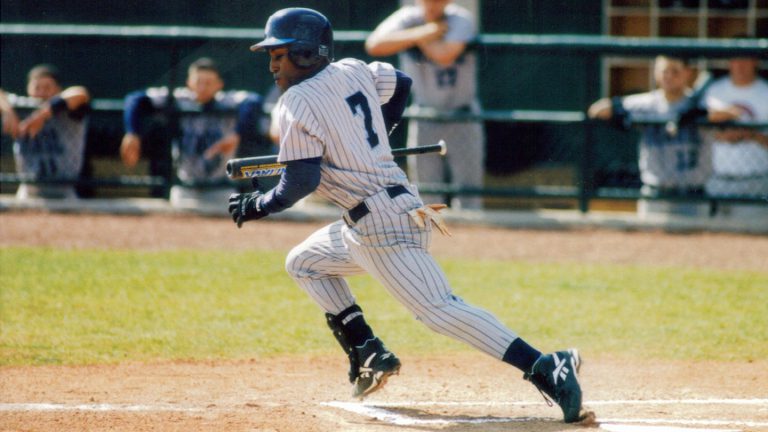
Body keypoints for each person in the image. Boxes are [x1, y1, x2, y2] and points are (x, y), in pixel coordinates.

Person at [228, 8, 592, 424]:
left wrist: (259, 204)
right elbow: (399, 82)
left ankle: (545, 366)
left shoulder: (295, 100)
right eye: (271, 55)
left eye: (282, 53)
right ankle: (366, 349)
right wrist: (377, 135)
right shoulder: (351, 69)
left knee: (439, 309)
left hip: (380, 224)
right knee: (305, 262)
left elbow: (300, 181)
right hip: (384, 213)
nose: (273, 63)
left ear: (309, 53)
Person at [365, 0, 484, 210]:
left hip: (462, 115)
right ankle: (431, 241)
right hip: (425, 115)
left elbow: (444, 56)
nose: (432, 3)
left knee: (469, 195)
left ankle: (469, 242)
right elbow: (374, 44)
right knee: (427, 195)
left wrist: (414, 36)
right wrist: (424, 32)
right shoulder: (408, 18)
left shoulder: (460, 18)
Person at [120, 57, 269, 206]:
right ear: (189, 83)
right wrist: (132, 133)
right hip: (185, 187)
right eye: (198, 82)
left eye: (209, 83)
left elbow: (254, 101)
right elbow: (135, 99)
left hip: (221, 187)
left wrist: (236, 135)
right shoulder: (180, 98)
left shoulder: (226, 101)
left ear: (219, 84)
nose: (203, 87)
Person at [588, 55, 712, 217]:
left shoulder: (700, 103)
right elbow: (597, 109)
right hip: (655, 192)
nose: (668, 76)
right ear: (655, 73)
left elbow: (730, 113)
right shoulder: (647, 103)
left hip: (692, 193)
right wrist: (626, 115)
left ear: (688, 73)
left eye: (675, 71)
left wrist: (695, 115)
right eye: (664, 71)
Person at [0, 64, 90, 199]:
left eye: (47, 87)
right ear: (28, 89)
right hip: (28, 191)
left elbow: (81, 93)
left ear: (58, 89)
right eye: (37, 87)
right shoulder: (22, 106)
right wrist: (7, 110)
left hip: (64, 191)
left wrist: (41, 115)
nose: (41, 93)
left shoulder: (67, 110)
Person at [702, 51, 768, 213]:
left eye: (745, 59)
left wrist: (749, 134)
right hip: (717, 178)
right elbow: (700, 129)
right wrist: (721, 134)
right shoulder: (714, 91)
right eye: (735, 59)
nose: (740, 65)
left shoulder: (765, 92)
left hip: (756, 179)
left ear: (755, 61)